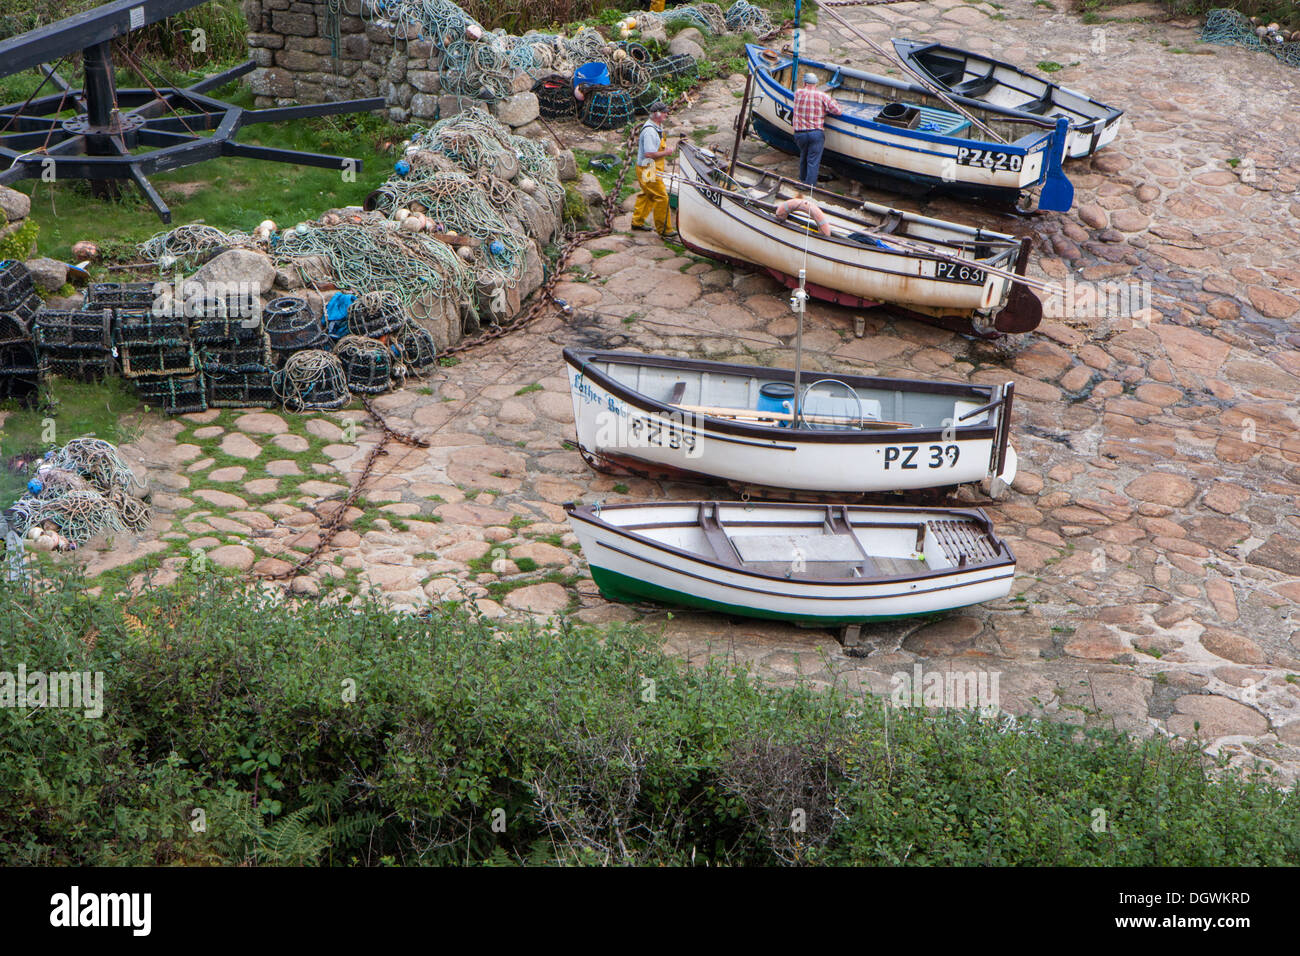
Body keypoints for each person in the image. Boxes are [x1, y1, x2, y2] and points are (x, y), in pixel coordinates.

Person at [631, 103, 677, 237]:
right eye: (664, 112)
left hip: (649, 166)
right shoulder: (650, 131)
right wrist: (667, 152)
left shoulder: (657, 127)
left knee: (647, 194)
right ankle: (664, 229)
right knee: (661, 197)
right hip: (648, 167)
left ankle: (637, 221)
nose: (666, 114)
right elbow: (649, 154)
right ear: (656, 114)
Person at [792, 72, 842, 189]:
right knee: (813, 160)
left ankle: (802, 180)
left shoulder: (798, 93)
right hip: (816, 133)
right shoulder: (822, 96)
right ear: (816, 84)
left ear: (804, 83)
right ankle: (809, 186)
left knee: (804, 155)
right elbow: (838, 111)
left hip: (800, 133)